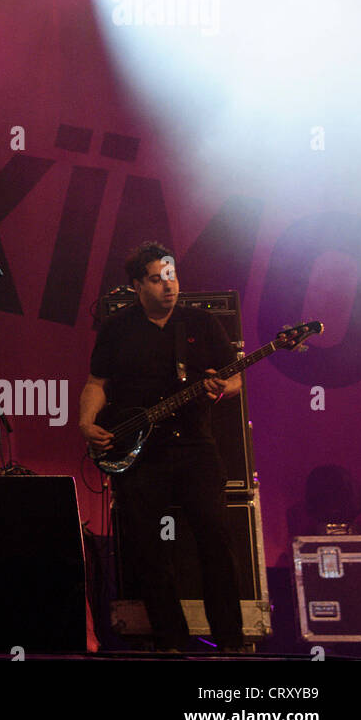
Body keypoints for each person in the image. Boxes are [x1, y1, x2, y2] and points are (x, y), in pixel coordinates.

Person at [79, 241, 246, 652]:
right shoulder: (118, 329)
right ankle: (170, 640)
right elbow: (97, 383)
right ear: (137, 285)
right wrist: (85, 422)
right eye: (157, 279)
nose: (168, 286)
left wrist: (222, 387)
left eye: (171, 276)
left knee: (215, 539)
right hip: (142, 455)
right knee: (149, 550)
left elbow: (237, 378)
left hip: (194, 446)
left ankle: (230, 639)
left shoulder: (200, 324)